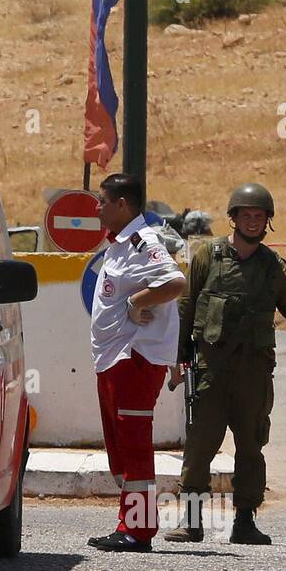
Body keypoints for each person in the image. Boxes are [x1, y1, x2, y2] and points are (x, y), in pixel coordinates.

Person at [166, 183, 286, 545]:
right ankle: (191, 521)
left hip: (253, 375)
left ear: (267, 221)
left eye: (259, 216)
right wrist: (177, 360)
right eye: (246, 215)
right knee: (199, 447)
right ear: (234, 218)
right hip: (210, 372)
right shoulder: (209, 256)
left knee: (251, 448)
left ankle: (245, 521)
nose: (253, 222)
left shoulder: (273, 267)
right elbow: (184, 309)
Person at [87, 173, 186, 552]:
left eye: (102, 201)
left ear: (122, 204)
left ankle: (139, 530)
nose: (97, 208)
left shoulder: (143, 241)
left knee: (135, 447)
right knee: (122, 448)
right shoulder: (119, 245)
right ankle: (127, 523)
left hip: (135, 359)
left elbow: (176, 283)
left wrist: (137, 302)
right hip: (114, 358)